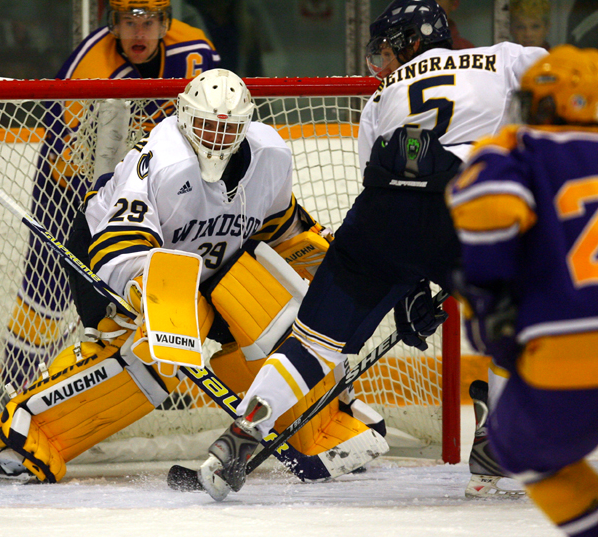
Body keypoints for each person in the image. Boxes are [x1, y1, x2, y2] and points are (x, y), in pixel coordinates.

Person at [195, 0, 548, 502]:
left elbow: (382, 190)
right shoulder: (502, 57)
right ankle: (499, 437)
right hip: (467, 208)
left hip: (382, 217)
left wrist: (407, 284)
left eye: (386, 49)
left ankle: (242, 433)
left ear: (411, 44)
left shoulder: (381, 97)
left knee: (313, 342)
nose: (380, 62)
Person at [0, 69, 386, 485]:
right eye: (207, 126)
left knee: (282, 316)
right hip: (115, 257)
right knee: (152, 356)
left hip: (214, 265)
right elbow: (119, 247)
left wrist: (326, 264)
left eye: (229, 129)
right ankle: (22, 440)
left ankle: (323, 427)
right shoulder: (163, 159)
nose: (217, 139)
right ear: (185, 118)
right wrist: (146, 295)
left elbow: (278, 229)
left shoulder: (271, 156)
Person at [0, 0, 221, 395]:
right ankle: (15, 382)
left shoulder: (196, 51)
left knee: (161, 271)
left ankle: (159, 378)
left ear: (165, 22)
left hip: (152, 183)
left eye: (149, 21)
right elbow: (63, 150)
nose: (139, 32)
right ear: (113, 24)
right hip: (68, 184)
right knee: (46, 283)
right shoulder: (90, 65)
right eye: (128, 21)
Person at [447, 44, 598, 535]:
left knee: (515, 448)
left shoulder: (522, 149)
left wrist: (493, 302)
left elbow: (489, 207)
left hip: (572, 346)